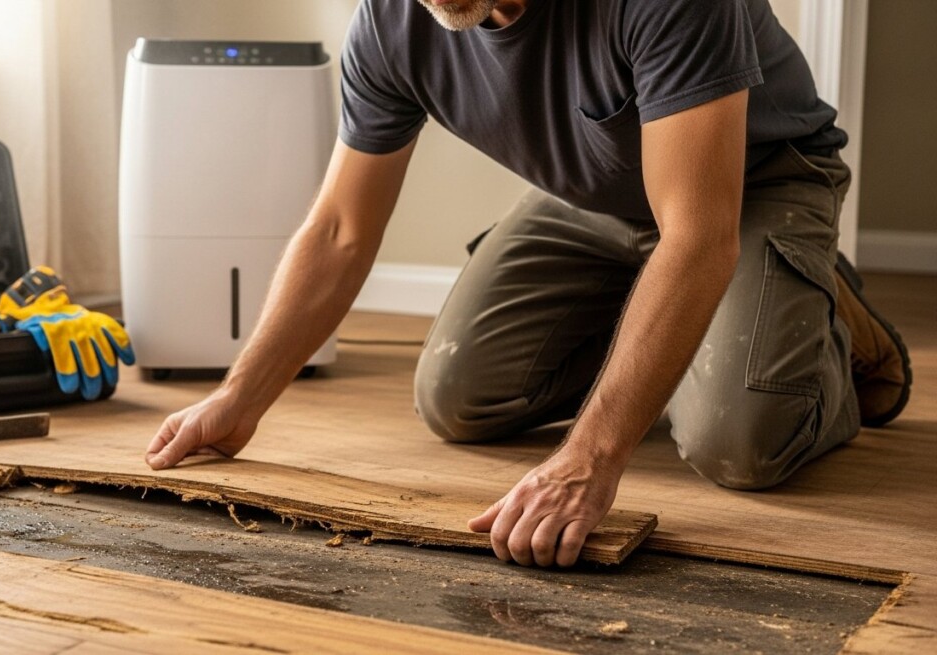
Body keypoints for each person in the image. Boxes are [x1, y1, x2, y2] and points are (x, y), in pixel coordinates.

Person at [145, 0, 911, 568]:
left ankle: (816, 309)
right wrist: (237, 396)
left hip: (748, 187)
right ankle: (719, 314)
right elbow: (341, 229)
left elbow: (698, 234)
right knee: (458, 395)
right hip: (597, 196)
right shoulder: (390, 22)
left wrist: (591, 457)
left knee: (735, 441)